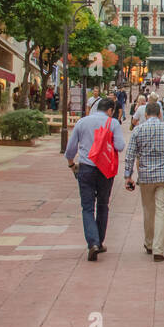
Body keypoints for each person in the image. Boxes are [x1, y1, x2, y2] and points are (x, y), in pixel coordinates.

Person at [64, 97, 126, 261]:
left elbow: (70, 149)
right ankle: (99, 240)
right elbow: (120, 146)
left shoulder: (82, 122)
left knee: (87, 207)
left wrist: (72, 165)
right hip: (105, 169)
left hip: (86, 168)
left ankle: (93, 242)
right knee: (103, 204)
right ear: (110, 111)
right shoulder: (113, 123)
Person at [123, 101, 164, 263]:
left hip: (145, 177)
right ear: (160, 114)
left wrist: (128, 176)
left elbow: (130, 155)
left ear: (145, 115)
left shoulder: (138, 129)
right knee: (162, 211)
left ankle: (149, 243)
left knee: (148, 210)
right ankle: (158, 248)